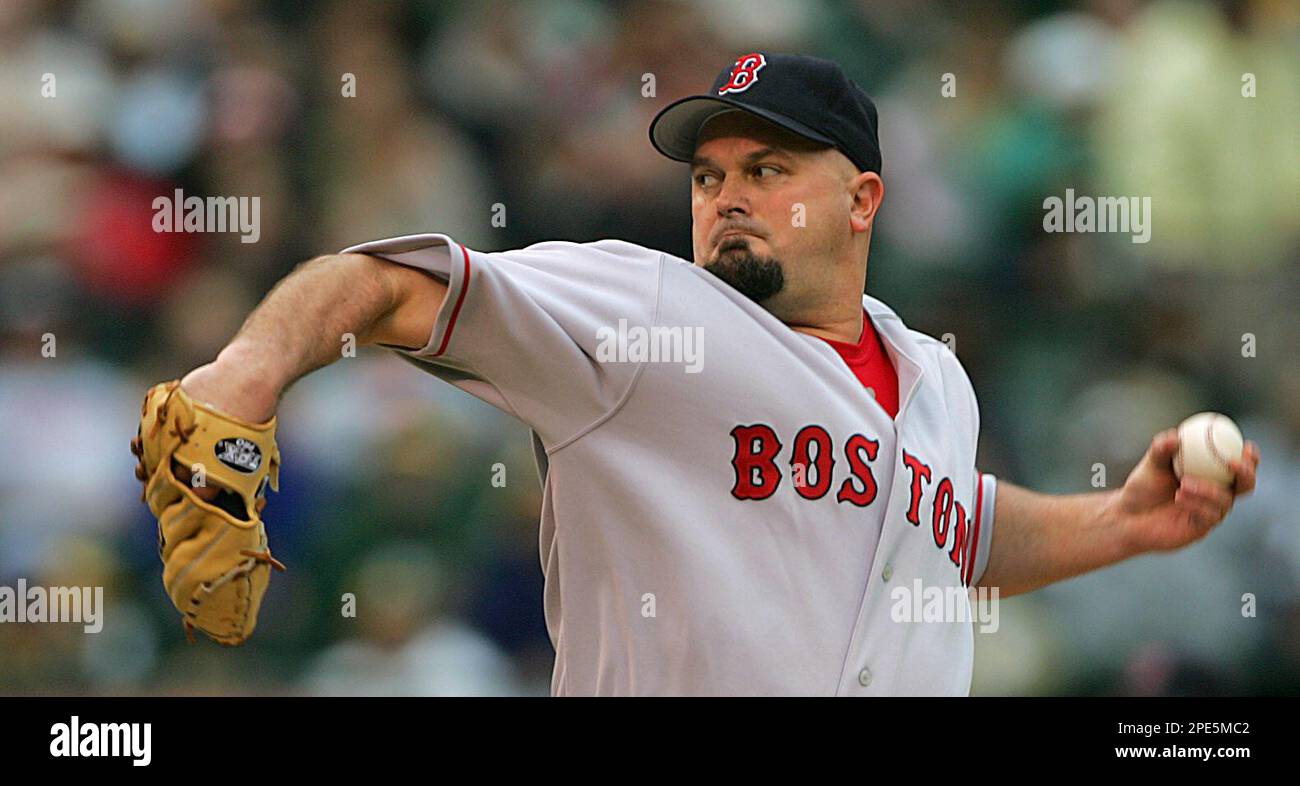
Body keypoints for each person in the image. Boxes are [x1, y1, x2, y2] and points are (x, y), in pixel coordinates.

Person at [157, 52, 1260, 695]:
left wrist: (1118, 522)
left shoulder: (936, 379)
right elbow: (389, 282)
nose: (724, 193)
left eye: (767, 169)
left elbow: (951, 534)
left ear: (863, 200)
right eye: (709, 173)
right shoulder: (646, 310)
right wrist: (250, 371)